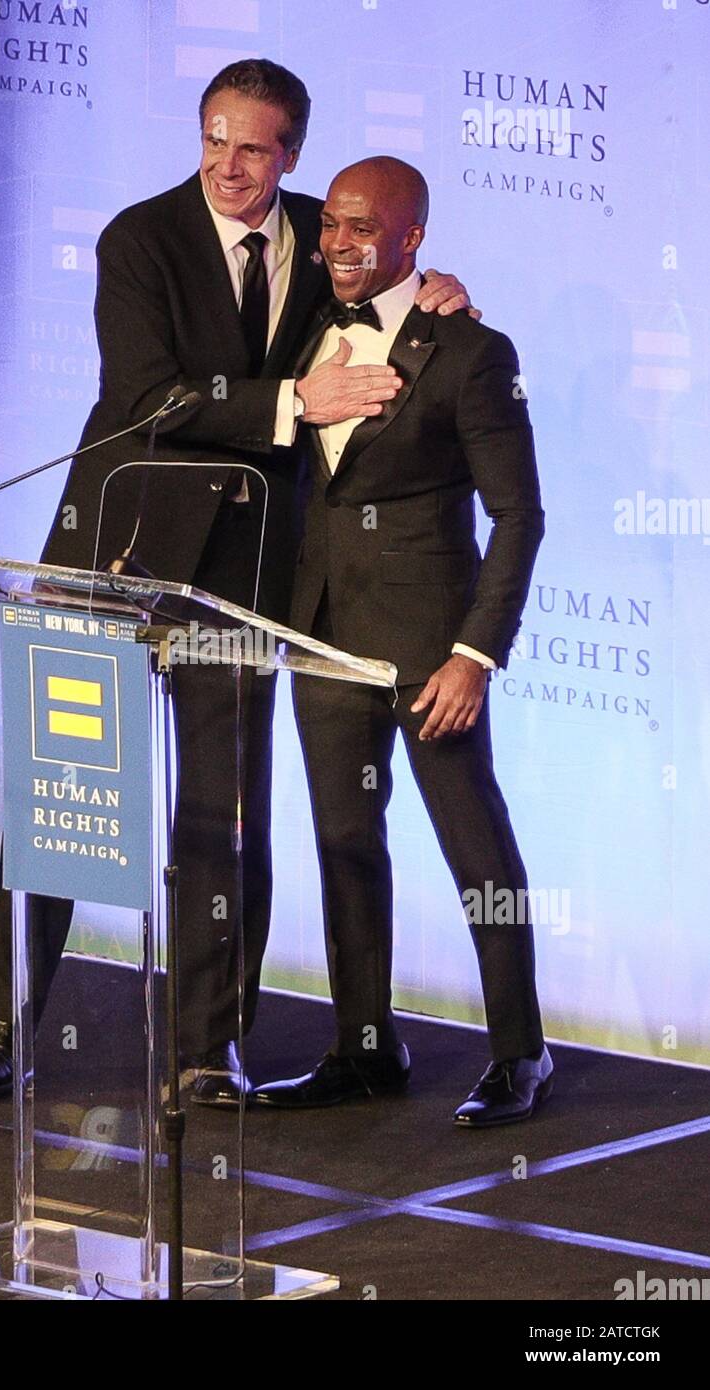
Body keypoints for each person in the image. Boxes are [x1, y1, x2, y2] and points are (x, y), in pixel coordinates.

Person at [0, 62, 474, 1104]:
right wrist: (295, 397)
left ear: (292, 153)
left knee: (225, 813)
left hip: (246, 570)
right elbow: (151, 393)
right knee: (66, 795)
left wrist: (441, 298)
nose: (229, 167)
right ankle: (8, 1017)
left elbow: (388, 293)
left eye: (253, 148)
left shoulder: (324, 238)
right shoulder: (138, 240)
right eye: (213, 141)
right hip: (119, 547)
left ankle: (208, 1047)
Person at [253, 156, 552, 1126]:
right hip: (323, 633)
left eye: (361, 229)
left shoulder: (473, 353)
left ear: (413, 238)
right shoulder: (303, 324)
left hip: (431, 647)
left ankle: (520, 1050)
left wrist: (476, 653)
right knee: (345, 840)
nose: (339, 243)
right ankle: (365, 1044)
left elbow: (519, 517)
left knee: (476, 847)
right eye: (330, 225)